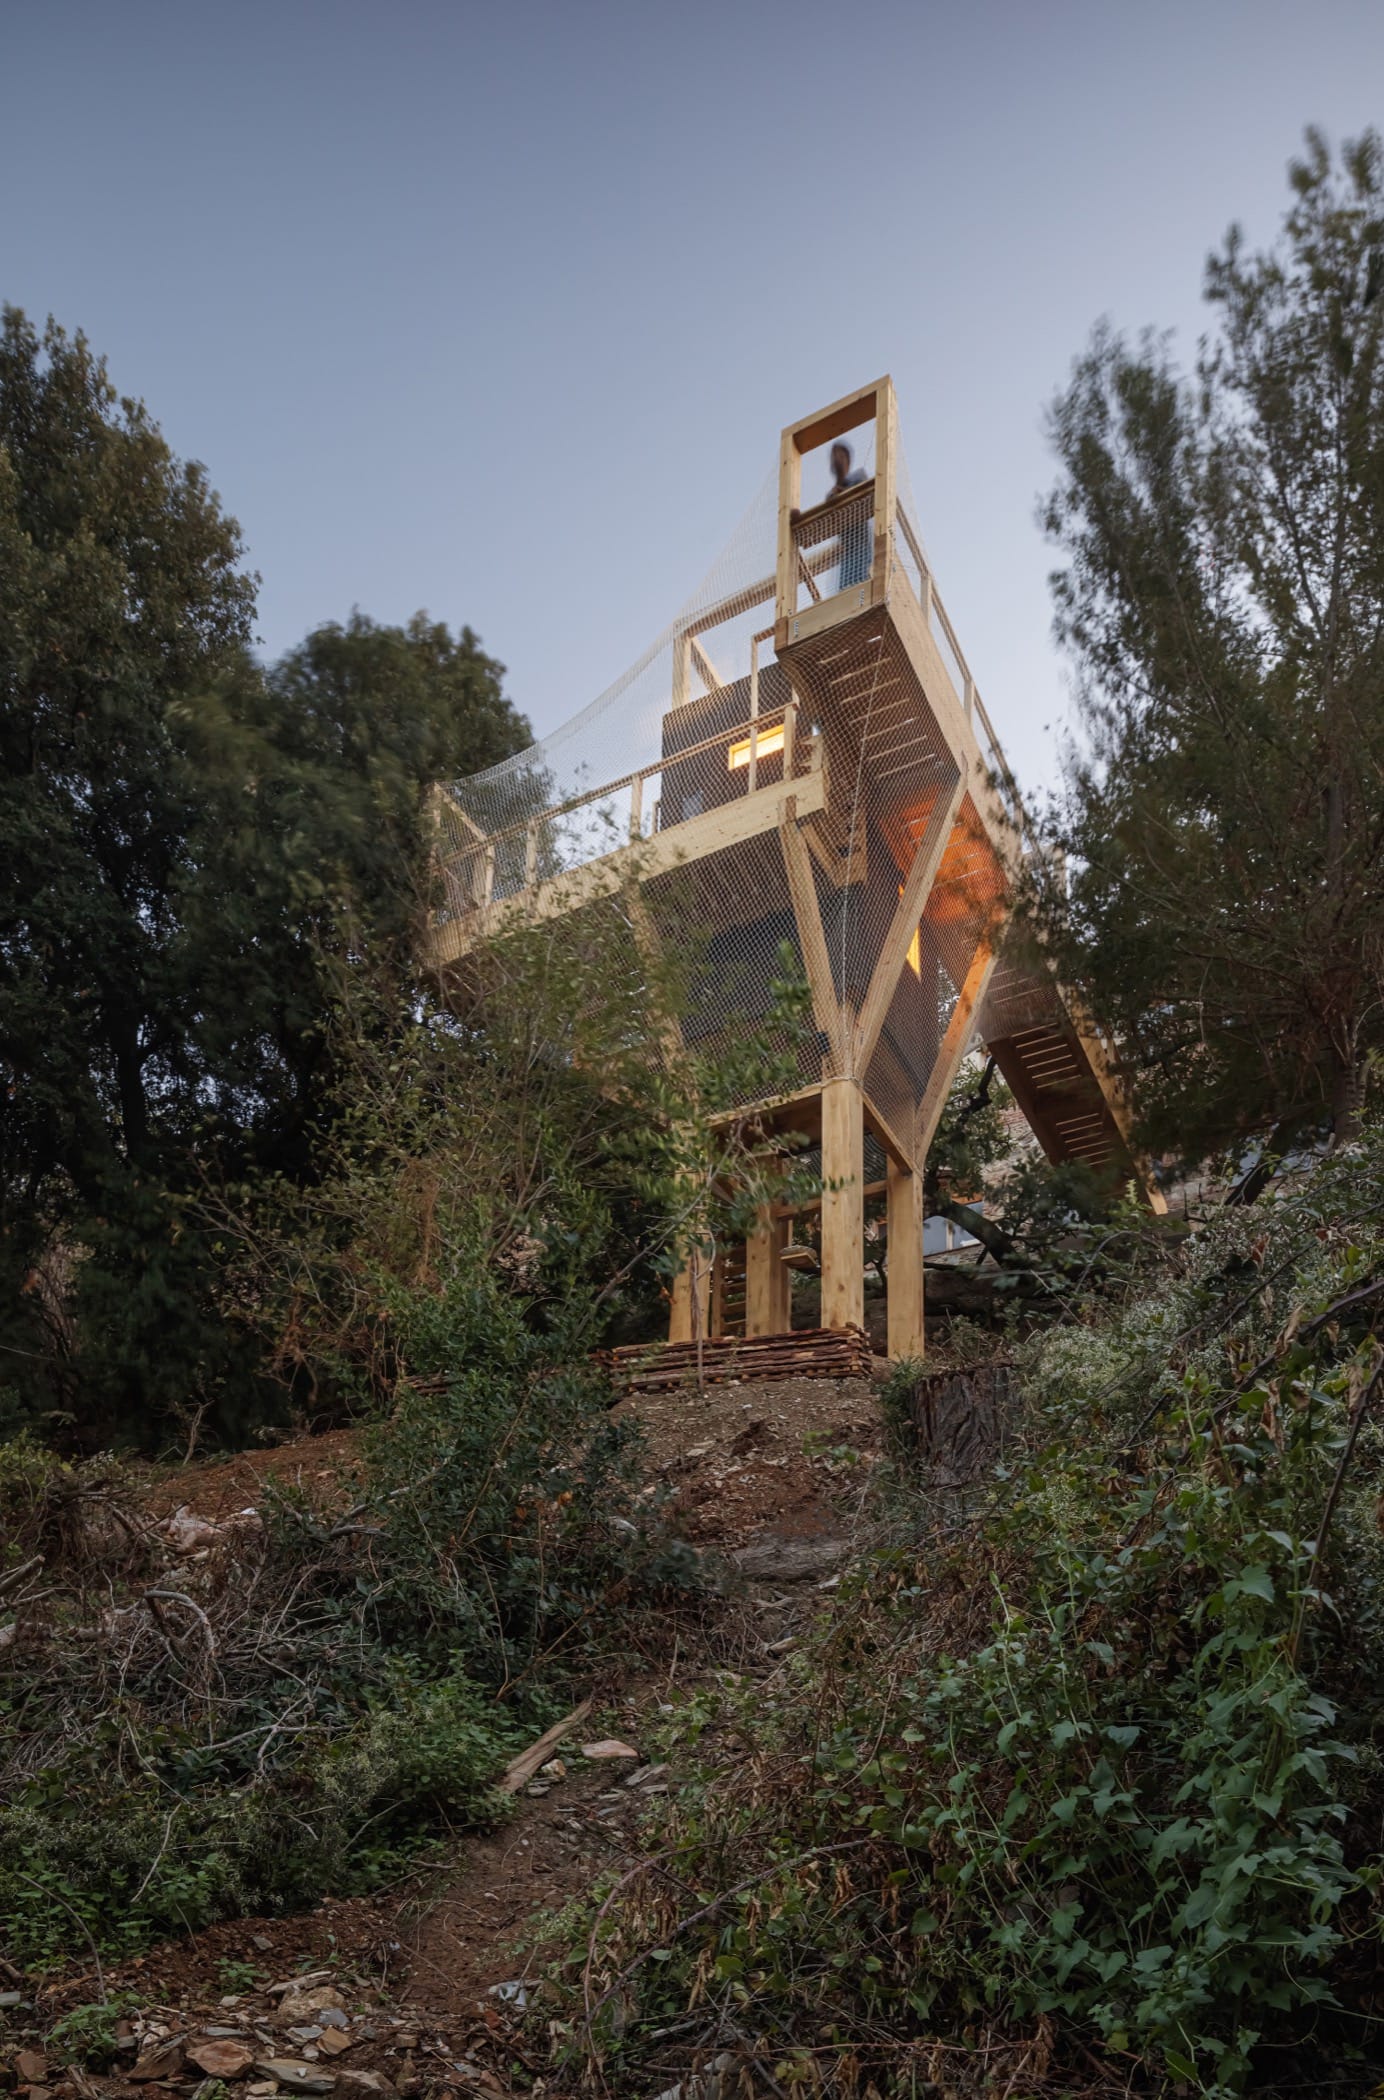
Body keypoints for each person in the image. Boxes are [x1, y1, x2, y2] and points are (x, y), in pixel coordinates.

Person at [827, 440, 871, 588]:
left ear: (847, 459)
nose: (836, 459)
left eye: (839, 455)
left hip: (862, 545)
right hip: (847, 552)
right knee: (846, 590)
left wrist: (842, 492)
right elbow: (829, 516)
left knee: (862, 590)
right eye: (834, 456)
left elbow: (863, 493)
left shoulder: (858, 476)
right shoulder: (831, 494)